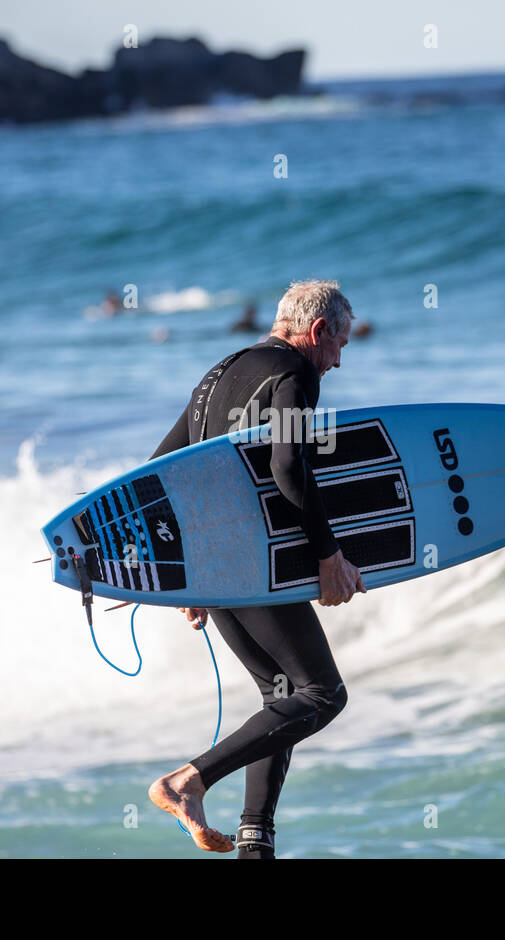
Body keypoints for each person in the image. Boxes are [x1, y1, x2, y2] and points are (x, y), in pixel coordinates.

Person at [145, 279, 365, 857]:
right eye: (339, 344)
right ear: (316, 332)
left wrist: (183, 570)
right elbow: (289, 465)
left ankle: (254, 845)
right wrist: (328, 556)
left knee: (283, 696)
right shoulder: (297, 374)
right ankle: (187, 780)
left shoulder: (217, 376)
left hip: (216, 568)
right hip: (251, 564)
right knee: (322, 695)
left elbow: (160, 470)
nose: (339, 359)